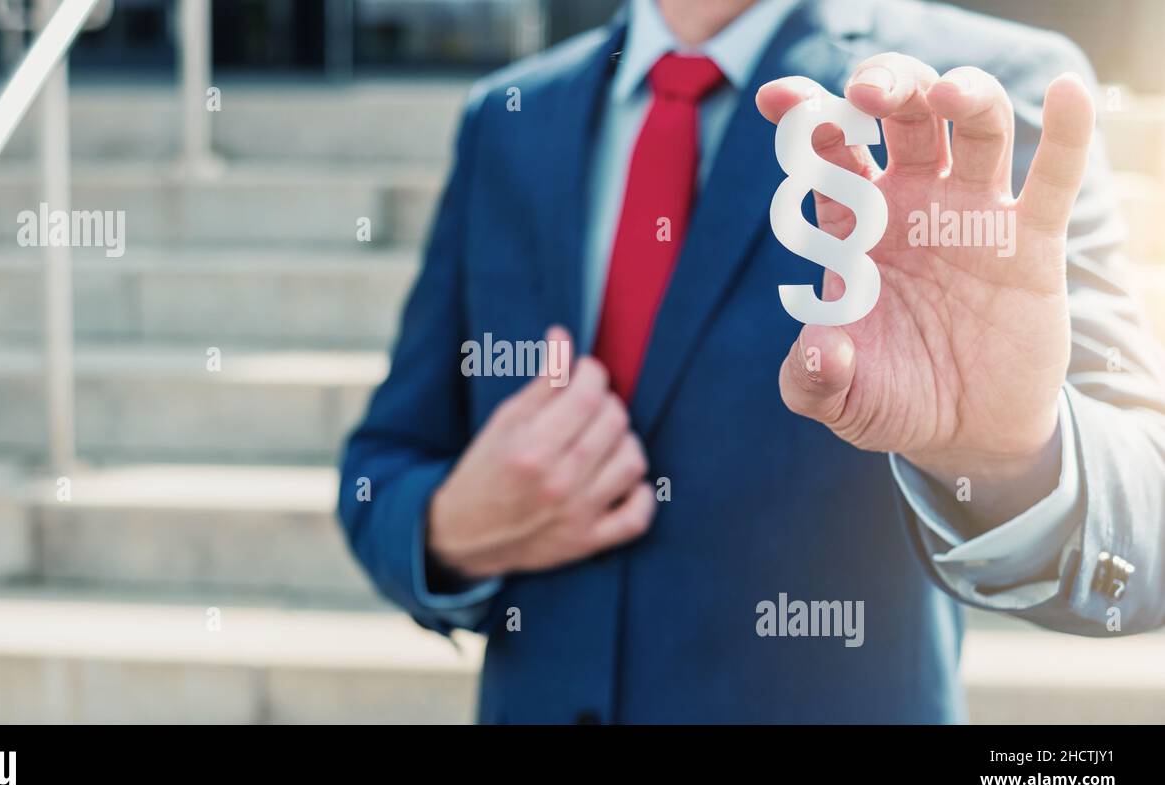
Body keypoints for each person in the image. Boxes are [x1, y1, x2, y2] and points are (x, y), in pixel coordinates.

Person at [338, 0, 1165, 723]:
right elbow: (384, 458)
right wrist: (453, 528)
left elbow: (1147, 530)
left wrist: (1007, 455)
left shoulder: (979, 90)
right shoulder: (510, 118)